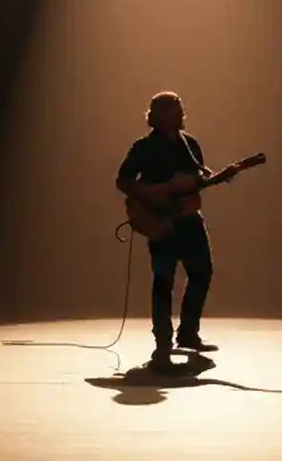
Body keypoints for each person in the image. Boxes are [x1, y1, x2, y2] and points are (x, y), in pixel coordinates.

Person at [116, 91, 220, 367]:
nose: (170, 116)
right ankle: (162, 342)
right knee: (163, 281)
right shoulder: (143, 148)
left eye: (174, 110)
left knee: (202, 272)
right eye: (164, 111)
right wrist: (153, 193)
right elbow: (123, 181)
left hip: (188, 219)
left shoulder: (190, 144)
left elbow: (197, 180)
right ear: (153, 116)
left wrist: (203, 182)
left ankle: (187, 333)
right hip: (161, 222)